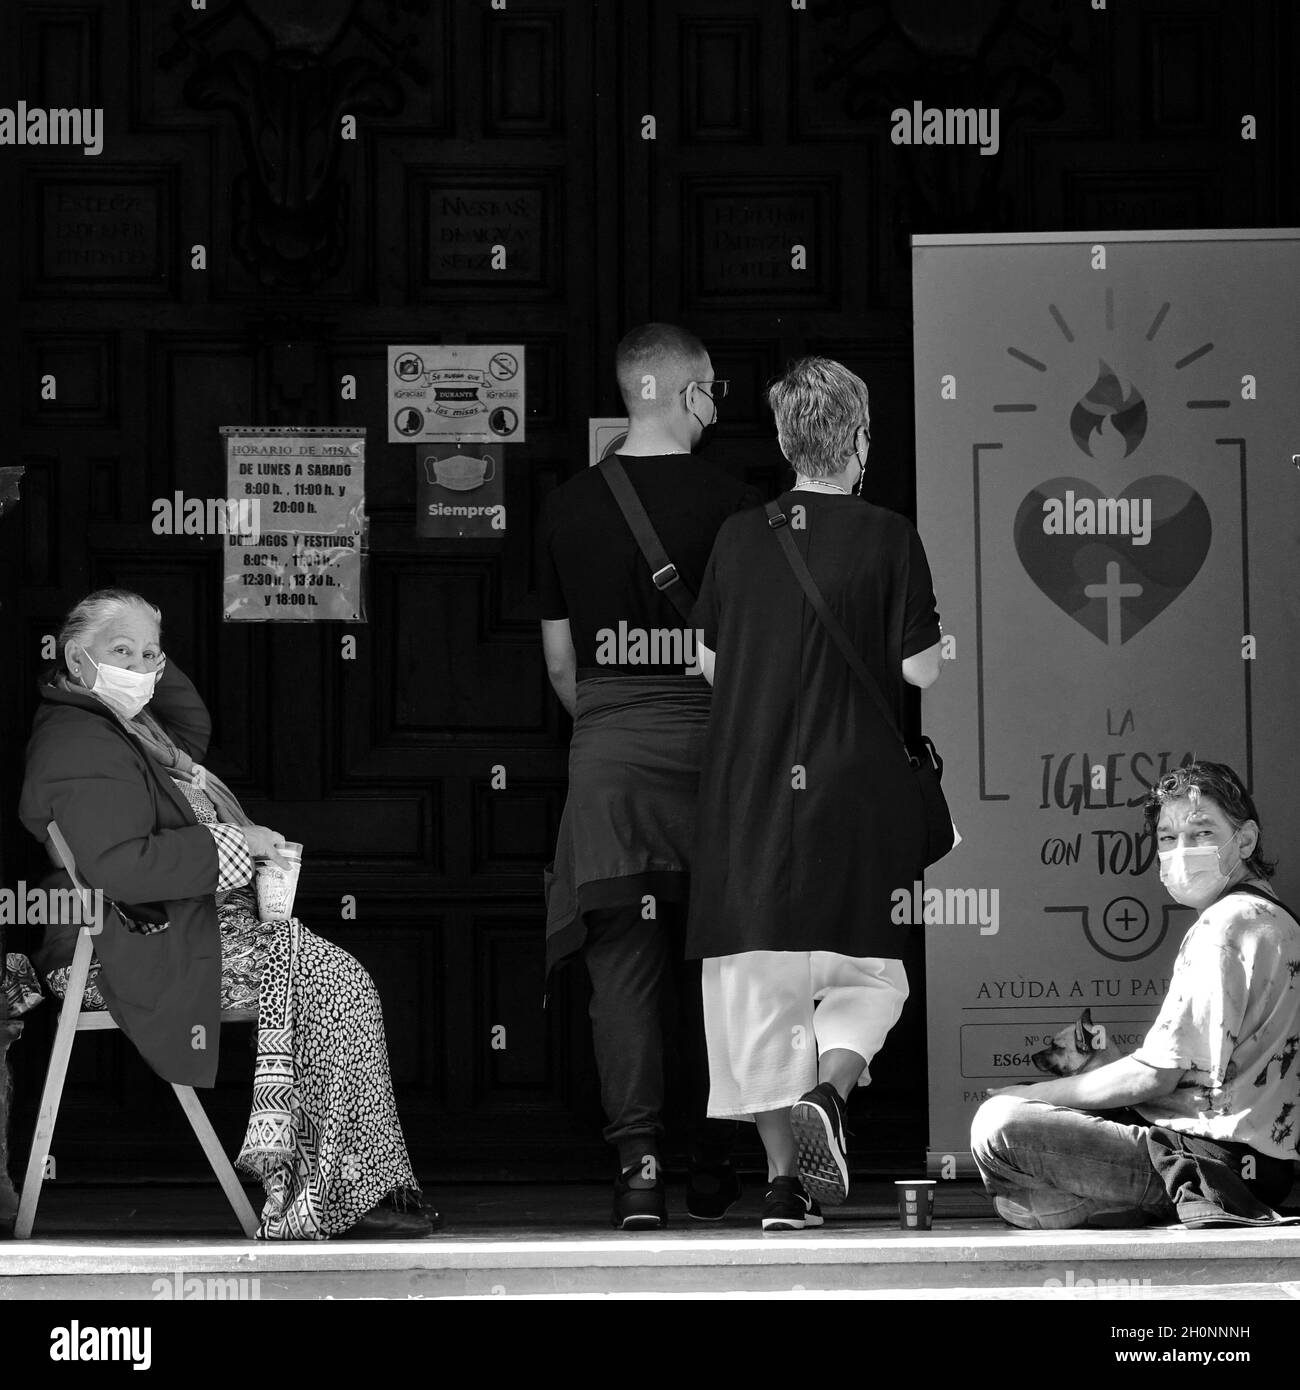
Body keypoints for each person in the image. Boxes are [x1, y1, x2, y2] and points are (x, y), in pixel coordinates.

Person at [19, 589, 436, 1240]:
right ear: (77, 660)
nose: (138, 666)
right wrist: (240, 845)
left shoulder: (127, 726)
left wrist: (148, 651)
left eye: (148, 654)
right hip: (127, 943)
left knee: (336, 977)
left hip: (167, 925)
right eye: (118, 652)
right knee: (337, 983)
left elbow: (192, 725)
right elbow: (121, 866)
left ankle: (343, 1186)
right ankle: (327, 1194)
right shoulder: (79, 742)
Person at [686, 356, 944, 1231]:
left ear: (790, 444)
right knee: (872, 975)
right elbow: (918, 668)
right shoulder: (888, 535)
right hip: (856, 800)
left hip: (749, 801)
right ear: (860, 441)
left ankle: (786, 1186)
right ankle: (832, 1093)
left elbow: (710, 664)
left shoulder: (736, 536)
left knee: (760, 996)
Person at [537, 322, 755, 1229]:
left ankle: (639, 1167)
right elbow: (754, 650)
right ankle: (716, 1162)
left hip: (611, 762)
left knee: (622, 967)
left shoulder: (566, 508)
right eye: (712, 387)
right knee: (726, 963)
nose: (717, 404)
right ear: (683, 388)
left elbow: (560, 667)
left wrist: (615, 728)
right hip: (718, 759)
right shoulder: (741, 507)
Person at [971, 761, 1300, 1229]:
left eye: (1201, 833)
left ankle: (1120, 1201)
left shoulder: (1223, 924)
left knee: (999, 1122)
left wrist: (1032, 1095)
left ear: (1244, 840)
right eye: (1168, 838)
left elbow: (1156, 1077)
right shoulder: (1276, 918)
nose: (1181, 851)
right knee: (1032, 1205)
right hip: (1260, 1170)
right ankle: (1097, 1205)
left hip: (1208, 1163)